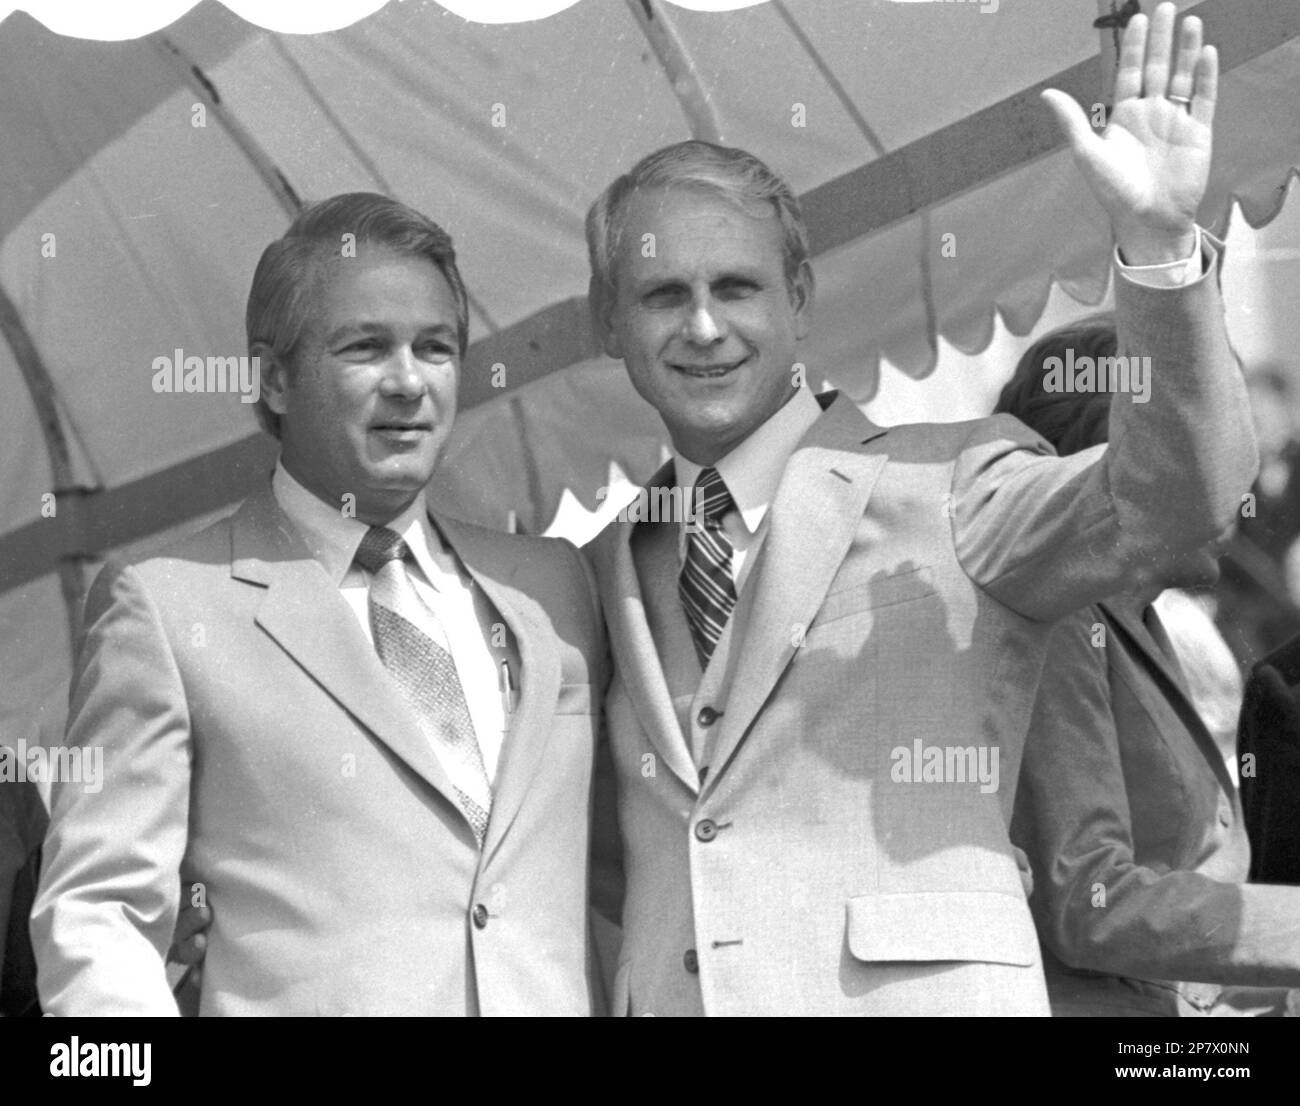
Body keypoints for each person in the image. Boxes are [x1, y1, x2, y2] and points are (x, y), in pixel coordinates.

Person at [582, 4, 1258, 1015]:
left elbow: (1174, 502)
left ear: (799, 297)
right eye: (662, 295)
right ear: (607, 321)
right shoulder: (595, 571)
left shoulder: (956, 483)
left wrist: (1157, 247)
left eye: (737, 285)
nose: (706, 325)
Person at [31, 193, 608, 1016]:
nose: (409, 381)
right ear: (272, 378)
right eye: (366, 348)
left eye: (435, 347)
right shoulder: (163, 606)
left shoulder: (552, 586)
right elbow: (99, 917)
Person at [998, 323, 1300, 1017]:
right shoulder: (1062, 618)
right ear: (1134, 463)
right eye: (1223, 445)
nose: (1245, 477)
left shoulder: (1130, 615)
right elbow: (1088, 903)